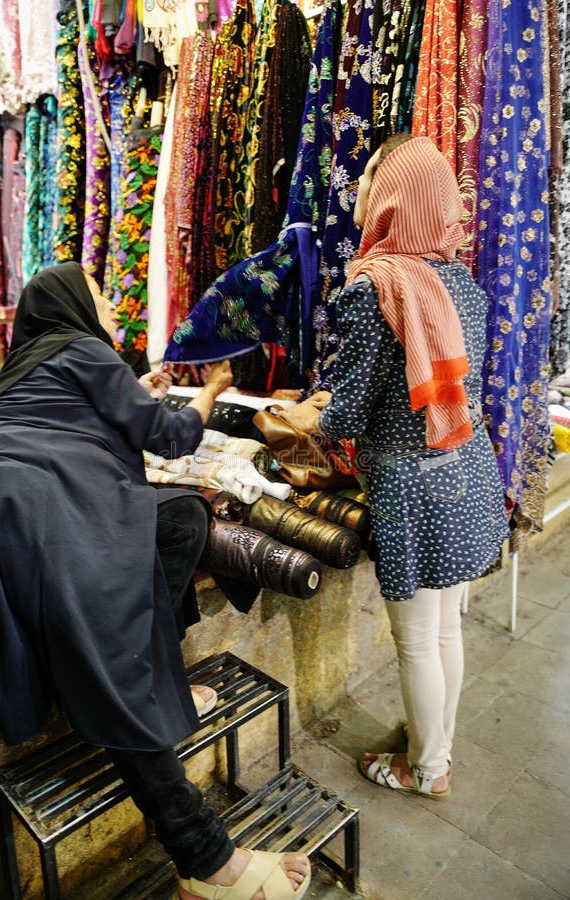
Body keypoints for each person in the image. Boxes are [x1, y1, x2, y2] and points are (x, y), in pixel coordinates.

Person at [0, 262, 310, 899]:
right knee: (114, 618)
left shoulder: (22, 369)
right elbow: (170, 436)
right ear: (72, 304)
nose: (108, 304)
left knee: (179, 517)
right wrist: (207, 392)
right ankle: (210, 864)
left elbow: (64, 423)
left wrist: (132, 388)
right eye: (98, 293)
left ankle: (161, 679)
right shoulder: (79, 348)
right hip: (39, 505)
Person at [283, 135, 509, 800]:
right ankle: (436, 749)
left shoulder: (374, 285)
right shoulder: (458, 281)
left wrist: (306, 423)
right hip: (462, 464)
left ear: (395, 199)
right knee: (444, 628)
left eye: (374, 179)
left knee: (416, 638)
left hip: (410, 483)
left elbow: (351, 410)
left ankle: (426, 768)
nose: (362, 189)